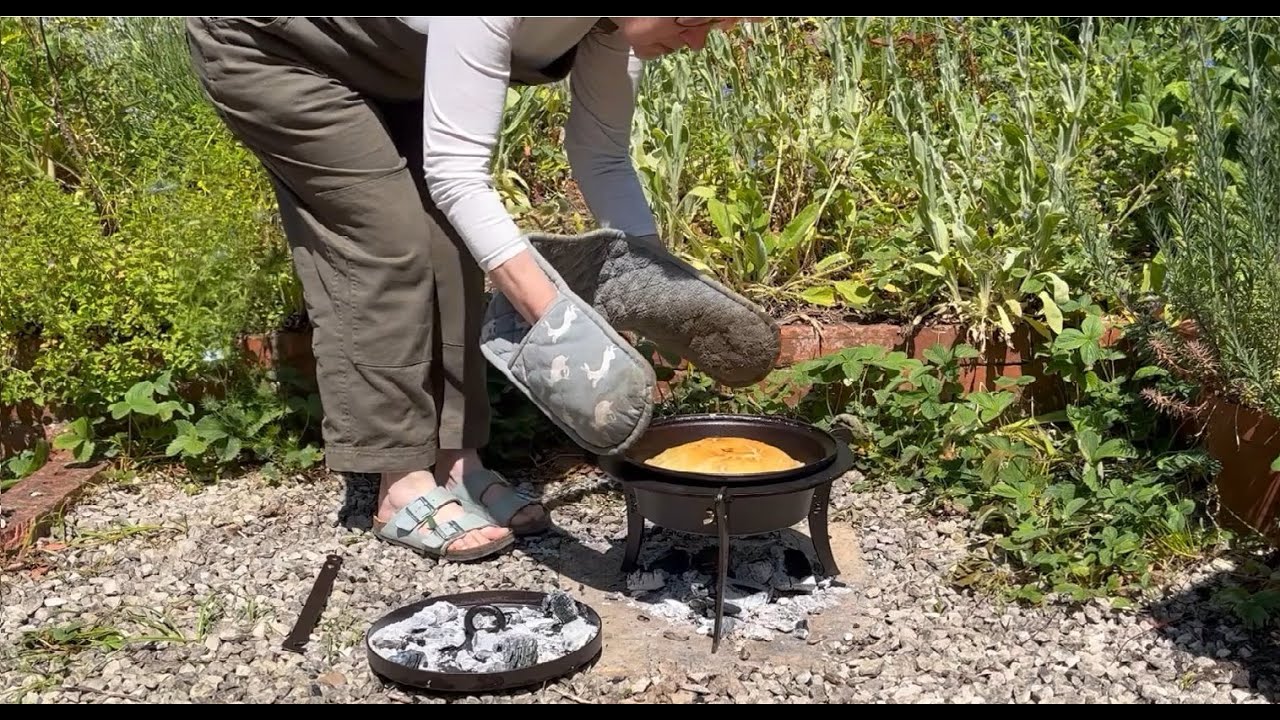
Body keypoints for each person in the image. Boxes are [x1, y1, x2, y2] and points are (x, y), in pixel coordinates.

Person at [184, 17, 779, 563]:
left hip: (390, 63)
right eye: (691, 18)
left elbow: (600, 156)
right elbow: (458, 174)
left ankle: (456, 462)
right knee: (386, 237)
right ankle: (397, 481)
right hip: (275, 48)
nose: (698, 40)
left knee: (451, 240)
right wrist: (558, 329)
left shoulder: (609, 24)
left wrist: (657, 279)